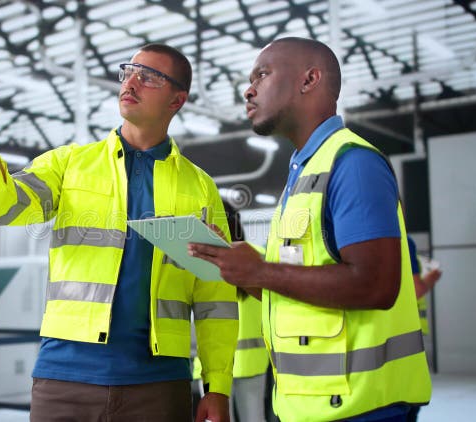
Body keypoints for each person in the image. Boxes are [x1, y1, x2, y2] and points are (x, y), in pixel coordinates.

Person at [0, 43, 238, 422]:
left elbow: (215, 296)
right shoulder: (70, 164)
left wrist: (218, 386)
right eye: (128, 71)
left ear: (177, 100)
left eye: (148, 77)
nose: (131, 82)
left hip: (159, 384)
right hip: (66, 378)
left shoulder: (200, 187)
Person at [188, 37, 432, 421]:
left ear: (309, 79)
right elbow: (292, 289)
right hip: (311, 404)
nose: (248, 90)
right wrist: (233, 265)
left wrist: (262, 270)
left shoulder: (352, 164)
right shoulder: (303, 175)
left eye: (262, 75)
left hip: (361, 407)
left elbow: (377, 285)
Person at [193, 201, 271, 422]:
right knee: (255, 418)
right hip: (252, 362)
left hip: (213, 367)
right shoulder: (260, 257)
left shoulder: (203, 263)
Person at [406, 235, 443, 422]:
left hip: (391, 331)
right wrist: (431, 279)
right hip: (408, 333)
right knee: (410, 398)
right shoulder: (405, 240)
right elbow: (415, 290)